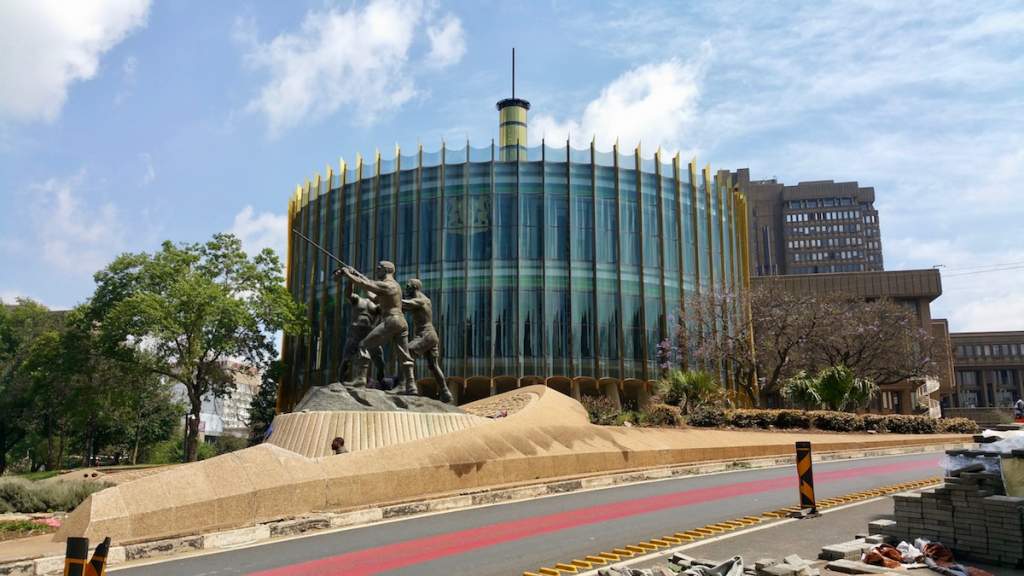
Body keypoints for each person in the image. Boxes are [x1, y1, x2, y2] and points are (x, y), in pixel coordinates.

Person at [335, 261, 417, 394]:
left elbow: (366, 285)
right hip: (401, 322)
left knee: (363, 346)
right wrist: (357, 276)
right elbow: (373, 296)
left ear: (385, 270)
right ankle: (411, 385)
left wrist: (348, 274)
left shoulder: (387, 284)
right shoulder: (395, 286)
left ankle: (360, 380)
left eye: (379, 268)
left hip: (392, 320)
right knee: (404, 355)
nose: (377, 270)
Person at [399, 278, 453, 404]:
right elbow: (402, 307)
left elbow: (404, 304)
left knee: (408, 352)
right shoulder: (422, 300)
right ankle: (445, 392)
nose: (406, 288)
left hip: (426, 335)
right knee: (433, 366)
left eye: (408, 286)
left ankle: (406, 385)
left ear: (415, 288)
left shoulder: (421, 300)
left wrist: (392, 296)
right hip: (431, 335)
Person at [336, 280, 386, 386]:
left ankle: (381, 380)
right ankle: (340, 381)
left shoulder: (378, 306)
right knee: (346, 359)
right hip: (355, 333)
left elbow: (387, 307)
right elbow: (348, 294)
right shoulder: (358, 299)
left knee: (380, 361)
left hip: (370, 334)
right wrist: (351, 281)